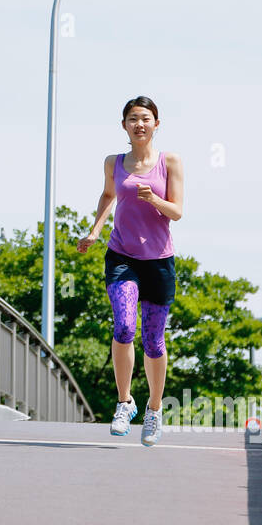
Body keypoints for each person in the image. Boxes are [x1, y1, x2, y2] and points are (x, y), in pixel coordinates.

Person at [76, 96, 183, 445]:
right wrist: (95, 230)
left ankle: (153, 410)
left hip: (159, 261)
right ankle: (124, 402)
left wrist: (154, 199)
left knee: (153, 340)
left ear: (156, 124)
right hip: (121, 255)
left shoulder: (170, 162)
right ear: (124, 125)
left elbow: (177, 211)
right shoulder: (114, 162)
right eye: (133, 118)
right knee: (124, 326)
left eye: (146, 118)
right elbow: (109, 196)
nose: (140, 124)